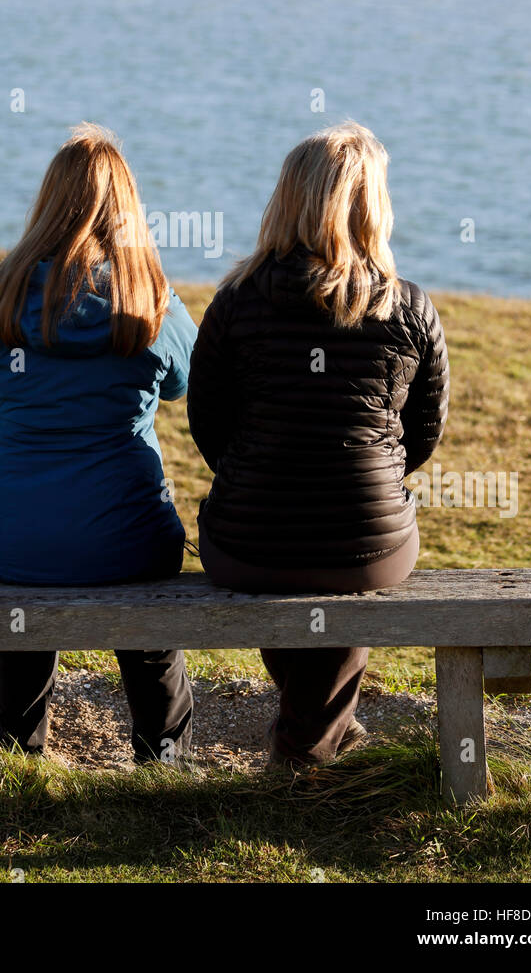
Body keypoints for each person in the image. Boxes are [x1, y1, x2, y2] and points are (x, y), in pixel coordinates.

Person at [187, 121, 449, 771]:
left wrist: (264, 471)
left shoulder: (232, 304)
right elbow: (421, 437)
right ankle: (306, 753)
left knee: (303, 554)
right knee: (346, 547)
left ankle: (312, 737)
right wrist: (360, 476)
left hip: (246, 544)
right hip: (372, 545)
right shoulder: (410, 309)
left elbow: (208, 426)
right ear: (373, 207)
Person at [0, 124, 197, 765]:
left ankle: (12, 750)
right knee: (150, 640)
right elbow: (186, 383)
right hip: (129, 539)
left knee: (27, 592)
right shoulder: (151, 303)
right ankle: (164, 758)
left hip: (8, 536)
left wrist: (16, 486)